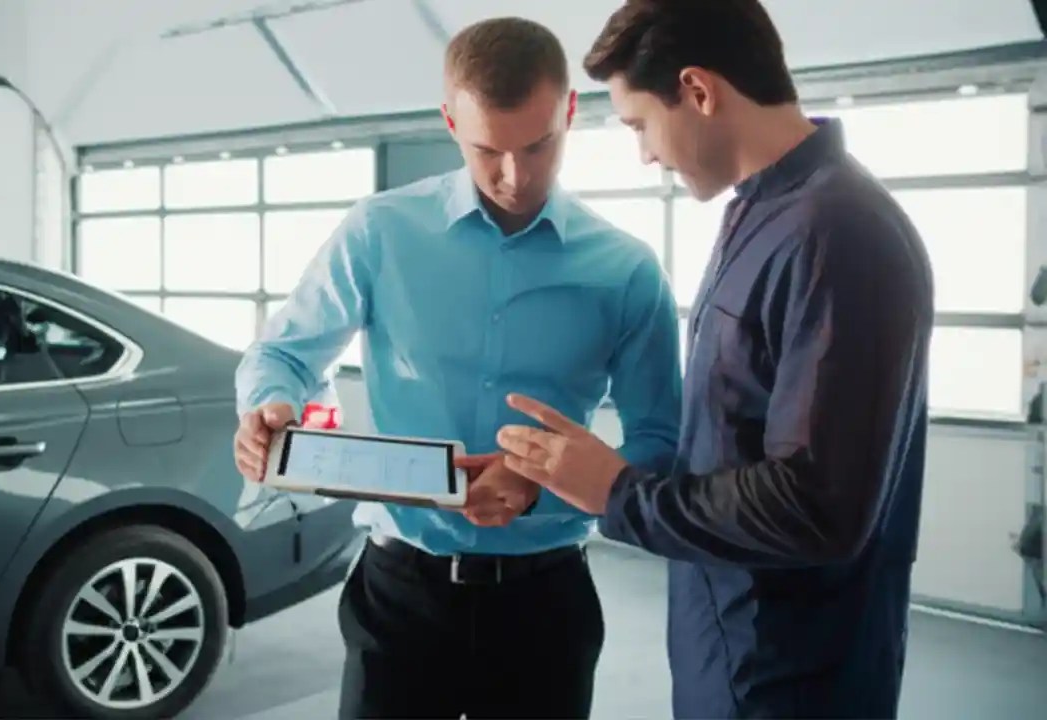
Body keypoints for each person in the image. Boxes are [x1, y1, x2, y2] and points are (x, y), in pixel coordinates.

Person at [233, 16, 682, 720]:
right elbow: (284, 353)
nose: (515, 176)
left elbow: (659, 444)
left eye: (538, 146)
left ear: (570, 112)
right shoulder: (379, 232)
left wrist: (542, 489)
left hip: (546, 606)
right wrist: (267, 405)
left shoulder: (627, 271)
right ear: (449, 122)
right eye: (487, 150)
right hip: (398, 596)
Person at [494, 1, 935, 718]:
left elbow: (815, 506)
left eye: (639, 125)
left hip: (791, 680)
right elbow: (727, 443)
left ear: (697, 91)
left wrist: (619, 493)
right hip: (732, 653)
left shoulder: (837, 233)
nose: (645, 154)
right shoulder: (763, 214)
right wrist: (568, 473)